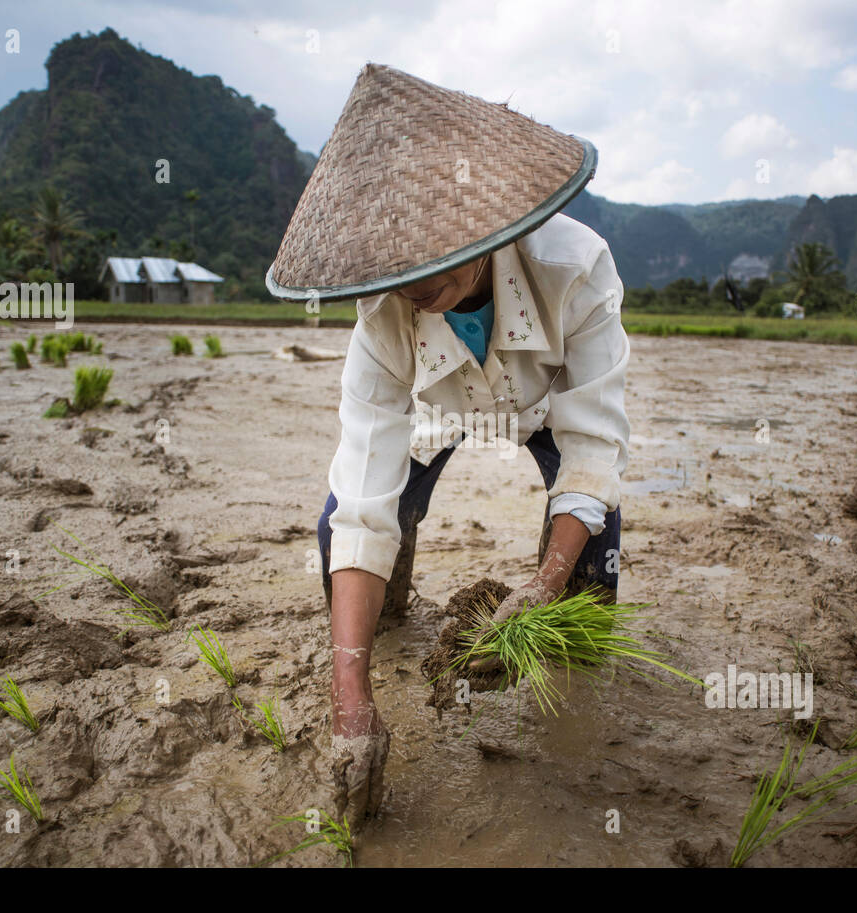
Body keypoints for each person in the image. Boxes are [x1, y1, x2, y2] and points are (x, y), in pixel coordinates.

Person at [266, 64, 630, 827]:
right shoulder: (384, 319)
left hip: (541, 410)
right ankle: (379, 636)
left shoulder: (577, 268)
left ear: (486, 224)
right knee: (346, 542)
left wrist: (543, 584)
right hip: (439, 412)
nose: (410, 288)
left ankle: (570, 721)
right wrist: (351, 701)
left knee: (586, 586)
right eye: (396, 269)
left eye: (430, 261)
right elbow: (365, 496)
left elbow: (593, 444)